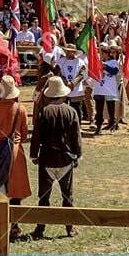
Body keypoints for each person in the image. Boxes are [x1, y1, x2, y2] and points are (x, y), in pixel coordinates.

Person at [29, 75, 81, 239]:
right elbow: (76, 137)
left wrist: (34, 154)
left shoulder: (44, 111)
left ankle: (40, 229)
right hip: (65, 160)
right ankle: (69, 228)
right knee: (67, 196)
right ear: (63, 94)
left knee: (44, 197)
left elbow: (36, 136)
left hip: (47, 159)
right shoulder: (71, 111)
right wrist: (77, 155)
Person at [0, 75, 31, 238]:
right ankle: (15, 226)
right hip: (16, 152)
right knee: (15, 190)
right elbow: (24, 134)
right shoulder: (21, 109)